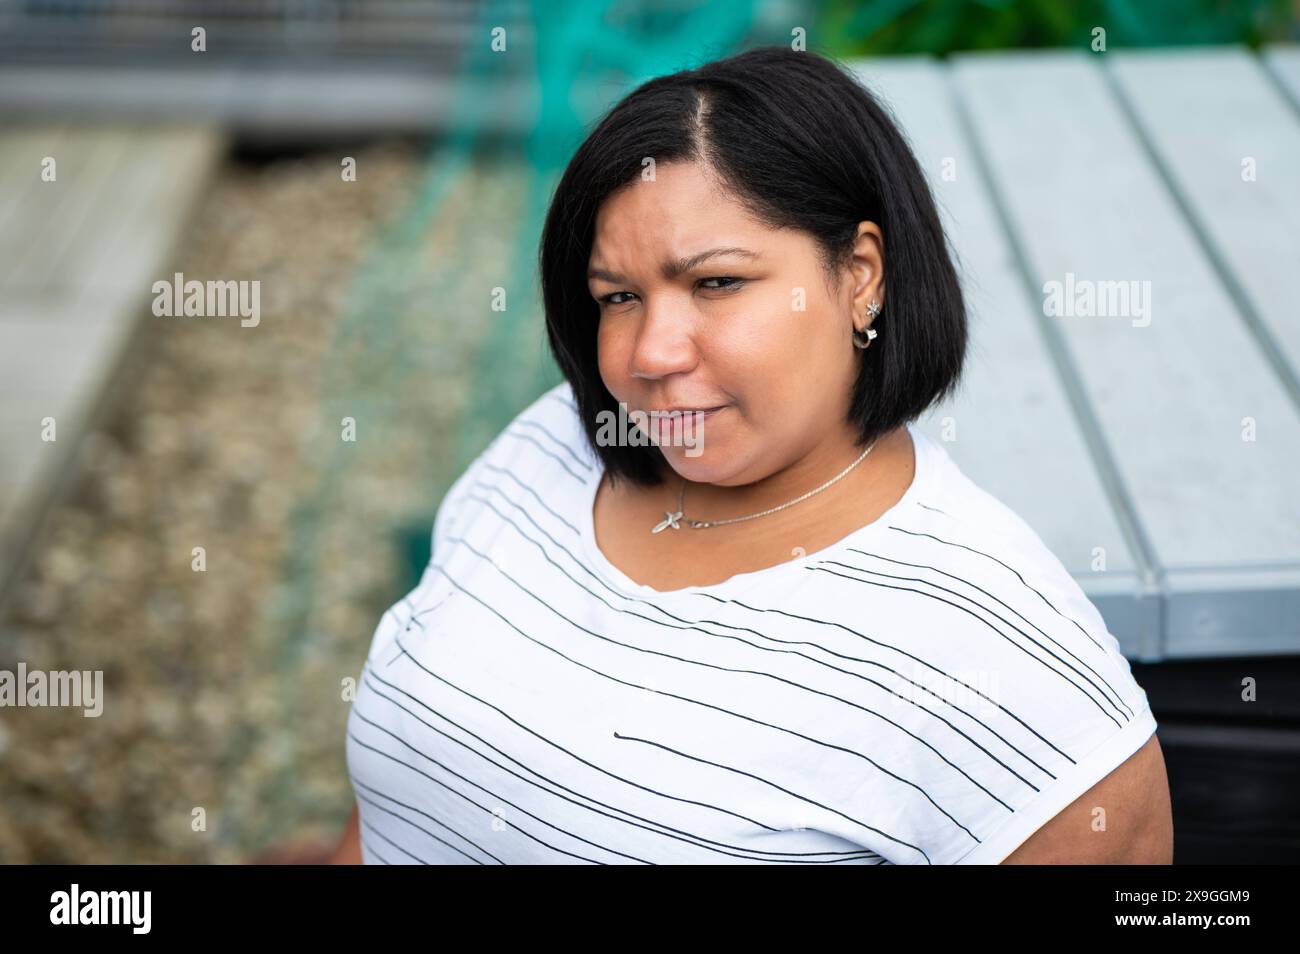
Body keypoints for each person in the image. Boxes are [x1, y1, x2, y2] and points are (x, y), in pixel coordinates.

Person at [330, 46, 1171, 864]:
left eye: (716, 283)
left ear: (862, 276)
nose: (651, 354)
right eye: (618, 297)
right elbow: (399, 797)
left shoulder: (1003, 659)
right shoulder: (549, 449)